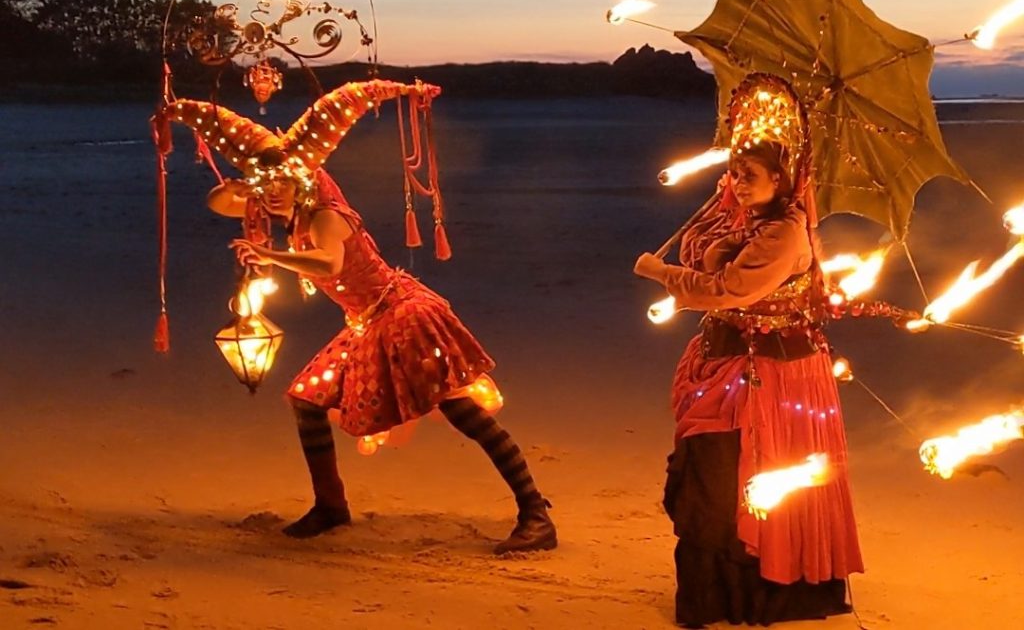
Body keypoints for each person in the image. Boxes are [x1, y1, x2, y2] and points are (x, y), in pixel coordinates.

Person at [160, 80, 556, 554]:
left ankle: (535, 512)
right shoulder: (283, 202)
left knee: (460, 410)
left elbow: (327, 263)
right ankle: (331, 506)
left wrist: (269, 253)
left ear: (305, 181)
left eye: (286, 185)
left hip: (404, 314)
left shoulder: (326, 215)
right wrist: (252, 178)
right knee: (307, 399)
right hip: (366, 320)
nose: (276, 196)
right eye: (269, 188)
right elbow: (218, 201)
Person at [633, 74, 863, 627]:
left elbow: (729, 291)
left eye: (750, 174)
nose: (736, 182)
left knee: (727, 480)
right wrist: (718, 224)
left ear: (783, 178)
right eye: (732, 171)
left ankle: (760, 593)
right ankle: (718, 597)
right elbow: (715, 258)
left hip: (770, 379)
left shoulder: (784, 234)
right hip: (732, 365)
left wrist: (661, 273)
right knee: (715, 476)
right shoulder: (752, 219)